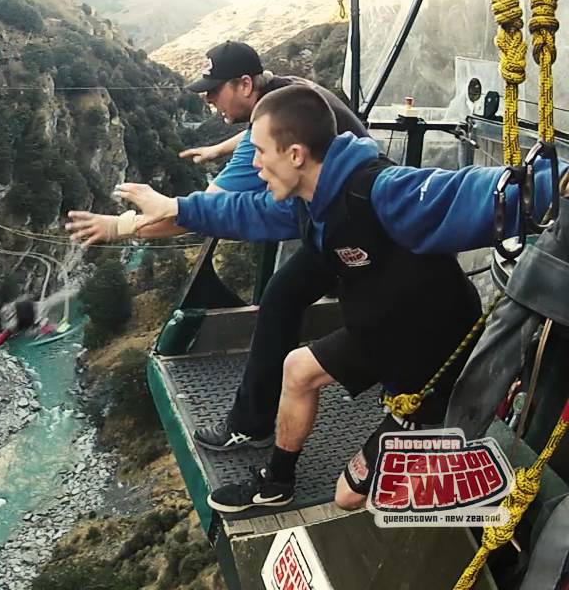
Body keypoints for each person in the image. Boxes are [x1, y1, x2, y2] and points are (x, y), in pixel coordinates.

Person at [111, 84, 560, 512]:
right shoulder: (310, 201)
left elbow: (474, 192)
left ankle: (467, 486)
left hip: (431, 360)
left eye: (261, 156)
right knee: (297, 369)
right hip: (383, 334)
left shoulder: (383, 192)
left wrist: (554, 183)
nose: (258, 168)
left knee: (349, 496)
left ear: (295, 154)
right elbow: (244, 212)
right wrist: (175, 208)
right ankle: (277, 484)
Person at [66, 40, 369, 451]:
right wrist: (218, 148)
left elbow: (197, 215)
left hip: (348, 233)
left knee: (295, 301)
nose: (208, 100)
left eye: (214, 90)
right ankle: (257, 420)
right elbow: (249, 135)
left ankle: (251, 425)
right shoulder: (287, 92)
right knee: (283, 297)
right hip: (346, 215)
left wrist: (118, 227)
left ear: (245, 84)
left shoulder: (263, 133)